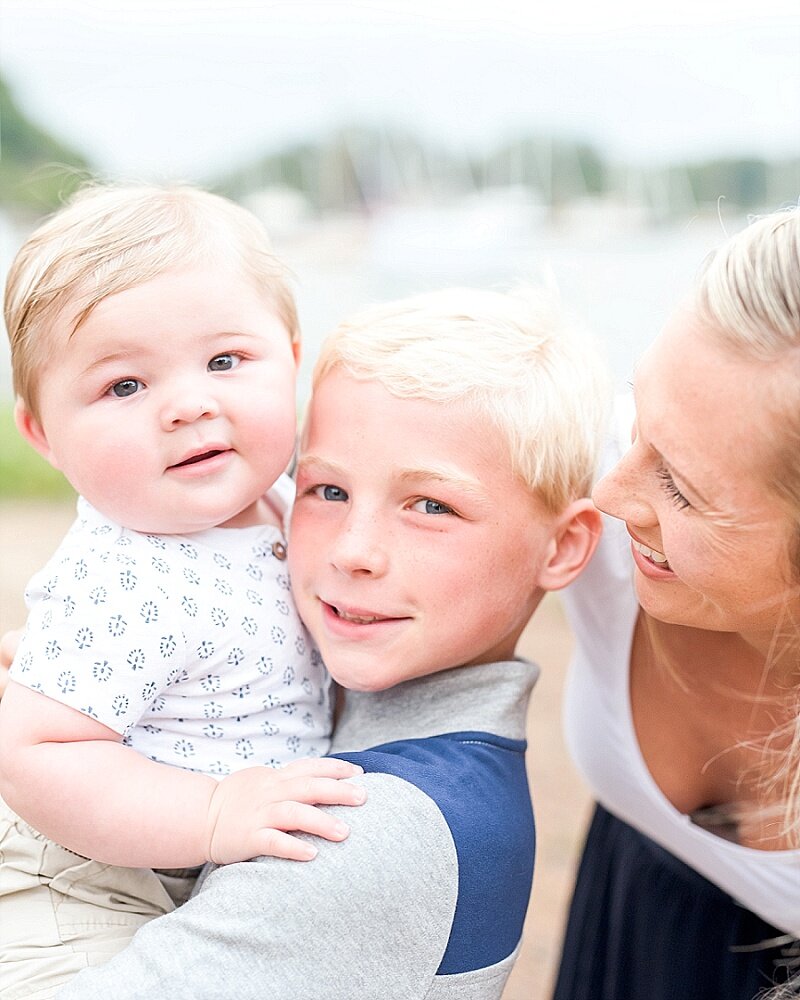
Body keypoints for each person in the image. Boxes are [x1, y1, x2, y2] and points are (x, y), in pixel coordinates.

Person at [41, 285, 610, 999]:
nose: (354, 552)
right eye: (326, 490)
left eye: (431, 505)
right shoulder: (313, 694)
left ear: (562, 546)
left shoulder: (366, 831)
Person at [0, 183, 368, 999]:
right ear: (43, 434)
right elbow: (34, 754)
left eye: (227, 361)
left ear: (293, 358)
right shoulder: (126, 574)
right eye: (125, 387)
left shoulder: (292, 492)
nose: (191, 404)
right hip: (80, 884)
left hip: (198, 871)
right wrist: (212, 814)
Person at [552, 206, 800, 1000]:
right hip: (628, 915)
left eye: (683, 492)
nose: (608, 491)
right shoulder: (600, 496)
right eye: (637, 421)